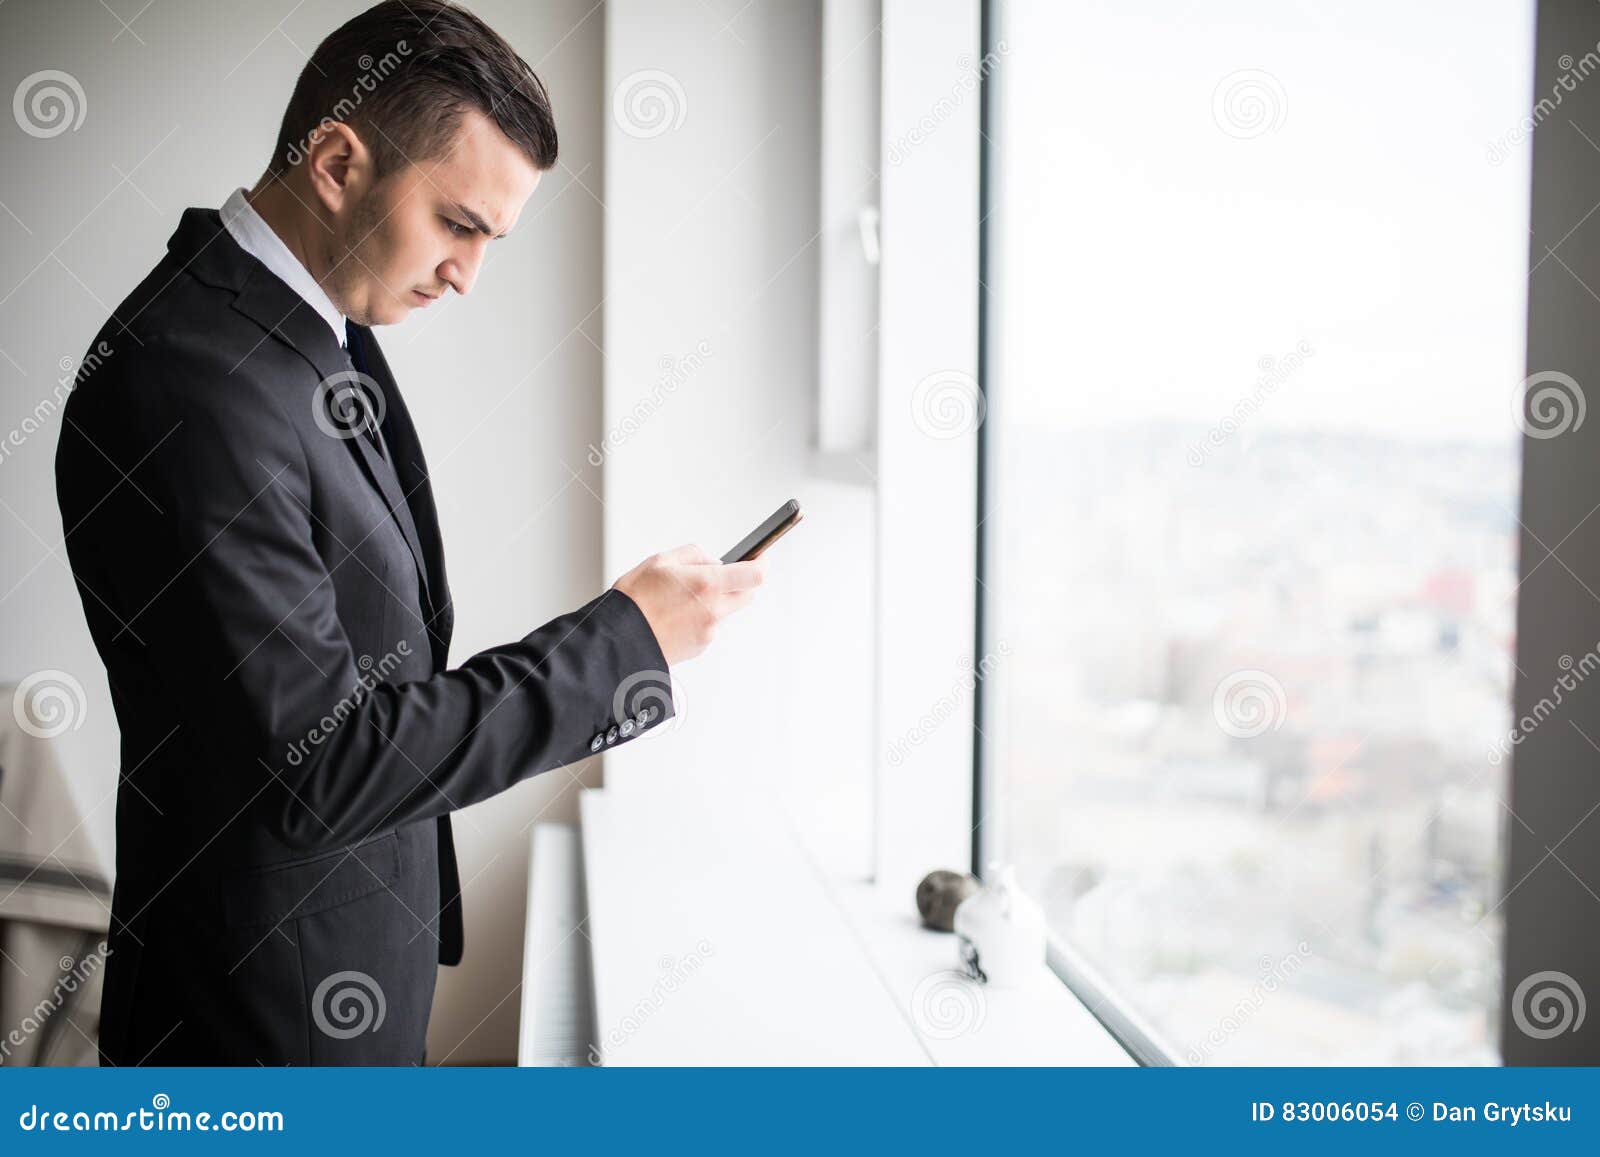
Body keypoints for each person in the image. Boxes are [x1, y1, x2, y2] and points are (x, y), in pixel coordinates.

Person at [53, 0, 764, 1065]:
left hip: (336, 970)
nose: (468, 275)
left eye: (491, 240)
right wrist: (621, 645)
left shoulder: (305, 324)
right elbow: (318, 760)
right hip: (261, 1022)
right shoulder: (189, 379)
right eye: (457, 225)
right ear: (338, 163)